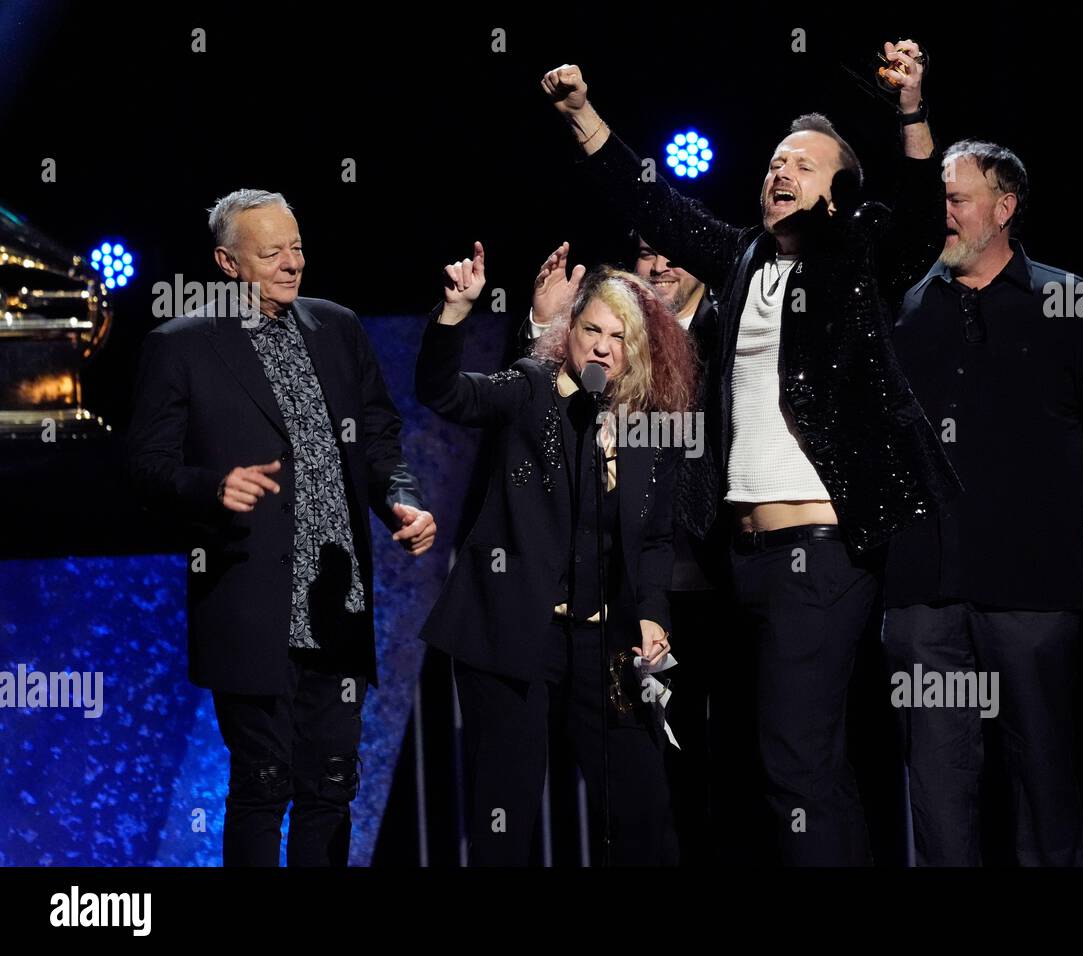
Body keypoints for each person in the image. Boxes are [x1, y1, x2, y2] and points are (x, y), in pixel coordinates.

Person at [540, 41, 960, 865]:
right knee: (795, 765)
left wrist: (909, 111)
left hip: (823, 550)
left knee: (796, 764)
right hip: (745, 554)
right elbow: (653, 203)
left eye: (802, 164)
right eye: (774, 161)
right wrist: (582, 116)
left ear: (838, 194)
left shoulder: (856, 255)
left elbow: (915, 211)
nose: (780, 171)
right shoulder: (742, 259)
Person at [126, 189, 435, 866]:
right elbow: (145, 469)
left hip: (337, 604)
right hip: (248, 604)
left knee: (331, 784)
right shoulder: (181, 347)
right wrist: (211, 486)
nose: (291, 263)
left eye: (296, 247)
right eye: (271, 253)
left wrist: (401, 501)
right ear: (228, 263)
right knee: (263, 785)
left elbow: (379, 438)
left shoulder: (338, 328)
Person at [883, 140, 1083, 865]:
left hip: (1032, 589)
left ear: (1004, 209)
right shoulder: (905, 304)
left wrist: (1051, 518)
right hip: (924, 593)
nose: (943, 214)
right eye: (939, 198)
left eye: (957, 200)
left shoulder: (1070, 298)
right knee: (937, 789)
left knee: (1044, 776)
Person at [415, 241, 695, 865]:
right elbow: (448, 394)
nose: (601, 347)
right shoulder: (531, 388)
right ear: (570, 331)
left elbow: (654, 539)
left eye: (618, 336)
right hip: (514, 634)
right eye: (591, 328)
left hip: (603, 642)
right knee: (505, 817)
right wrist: (455, 313)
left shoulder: (655, 425)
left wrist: (652, 614)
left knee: (645, 813)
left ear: (639, 348)